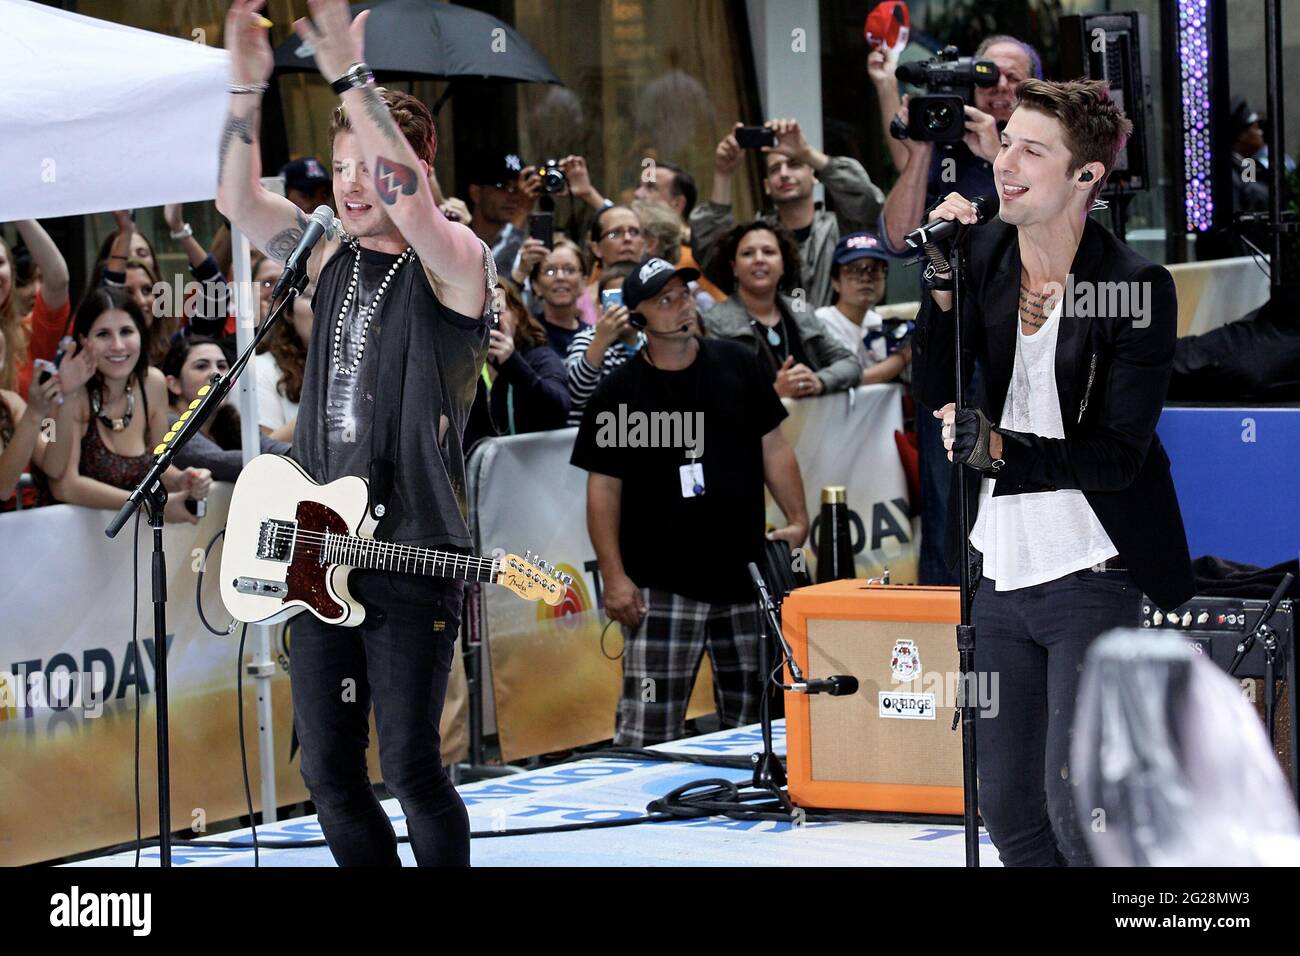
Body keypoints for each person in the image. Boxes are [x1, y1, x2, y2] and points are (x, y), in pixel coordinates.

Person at [218, 0, 495, 867]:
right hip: (319, 547)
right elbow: (235, 197)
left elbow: (412, 205)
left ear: (410, 168)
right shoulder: (327, 254)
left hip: (413, 551)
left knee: (413, 767)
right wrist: (245, 88)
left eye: (367, 167)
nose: (351, 184)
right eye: (340, 167)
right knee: (332, 772)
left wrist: (350, 71)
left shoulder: (457, 262)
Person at [912, 78, 1195, 866]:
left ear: (1086, 177)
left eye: (1032, 150)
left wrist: (1000, 450)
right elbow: (933, 392)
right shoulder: (987, 253)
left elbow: (1116, 455)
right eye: (1005, 142)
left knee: (1080, 809)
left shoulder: (1134, 288)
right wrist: (938, 294)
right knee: (1006, 808)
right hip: (999, 569)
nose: (1006, 162)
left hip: (1093, 569)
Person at [571, 256, 809, 746]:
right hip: (661, 585)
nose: (682, 307)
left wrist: (799, 519)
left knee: (758, 727)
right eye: (665, 300)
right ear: (637, 319)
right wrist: (614, 577)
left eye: (684, 295)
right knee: (647, 730)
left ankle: (755, 814)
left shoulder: (738, 362)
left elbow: (774, 445)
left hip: (744, 574)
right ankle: (639, 818)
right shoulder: (619, 393)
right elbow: (603, 490)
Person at [46, 288, 211, 523]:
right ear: (83, 340)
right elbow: (65, 486)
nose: (118, 345)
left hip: (126, 546)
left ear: (141, 334)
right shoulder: (72, 392)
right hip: (64, 542)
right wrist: (143, 504)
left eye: (126, 332)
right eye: (103, 334)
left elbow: (158, 466)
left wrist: (183, 479)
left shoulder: (152, 383)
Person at [691, 117, 884, 308]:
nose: (784, 173)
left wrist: (807, 153)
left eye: (795, 164)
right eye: (775, 169)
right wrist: (723, 173)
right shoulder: (755, 241)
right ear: (766, 186)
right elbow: (710, 256)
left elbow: (868, 201)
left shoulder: (843, 229)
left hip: (840, 337)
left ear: (814, 176)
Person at [874, 35, 1042, 254]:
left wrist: (996, 155)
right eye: (988, 76)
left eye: (1012, 78)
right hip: (948, 286)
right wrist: (920, 152)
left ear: (1033, 88)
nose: (1000, 85)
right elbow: (898, 243)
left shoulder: (1048, 145)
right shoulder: (948, 141)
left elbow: (1062, 222)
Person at [701, 222, 861, 397]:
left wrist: (819, 381)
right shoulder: (712, 322)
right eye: (748, 253)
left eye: (769, 252)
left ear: (783, 265)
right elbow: (715, 392)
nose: (759, 259)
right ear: (734, 268)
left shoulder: (801, 311)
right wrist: (774, 393)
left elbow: (850, 363)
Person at [162, 335, 291, 482]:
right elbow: (221, 463)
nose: (216, 373)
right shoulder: (168, 424)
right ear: (174, 384)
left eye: (222, 366)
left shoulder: (230, 421)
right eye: (201, 366)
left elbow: (270, 447)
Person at [464, 279, 568, 447]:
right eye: (481, 313)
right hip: (482, 468)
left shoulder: (538, 356)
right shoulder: (462, 366)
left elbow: (558, 410)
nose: (489, 321)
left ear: (517, 315)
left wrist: (512, 364)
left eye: (497, 312)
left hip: (534, 465)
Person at [814, 232, 911, 385]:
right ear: (835, 281)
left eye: (874, 270)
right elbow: (843, 380)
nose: (865, 278)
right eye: (854, 270)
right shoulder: (820, 323)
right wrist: (902, 357)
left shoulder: (880, 324)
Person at [1, 220, 71, 400]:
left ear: (12, 273)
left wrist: (20, 211)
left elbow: (58, 279)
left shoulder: (29, 332)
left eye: (0, 262)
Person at [565, 262, 640, 426]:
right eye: (616, 299)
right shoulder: (587, 340)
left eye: (630, 298)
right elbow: (576, 394)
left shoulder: (649, 342)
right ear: (601, 304)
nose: (623, 308)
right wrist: (601, 341)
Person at [466, 151, 529, 279]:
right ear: (476, 192)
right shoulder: (459, 243)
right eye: (502, 186)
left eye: (518, 189)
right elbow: (492, 283)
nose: (514, 197)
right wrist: (522, 211)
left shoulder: (528, 252)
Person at [531, 238, 590, 358]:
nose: (560, 277)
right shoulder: (527, 333)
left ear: (583, 282)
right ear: (536, 285)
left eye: (569, 270)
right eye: (550, 271)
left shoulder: (593, 337)